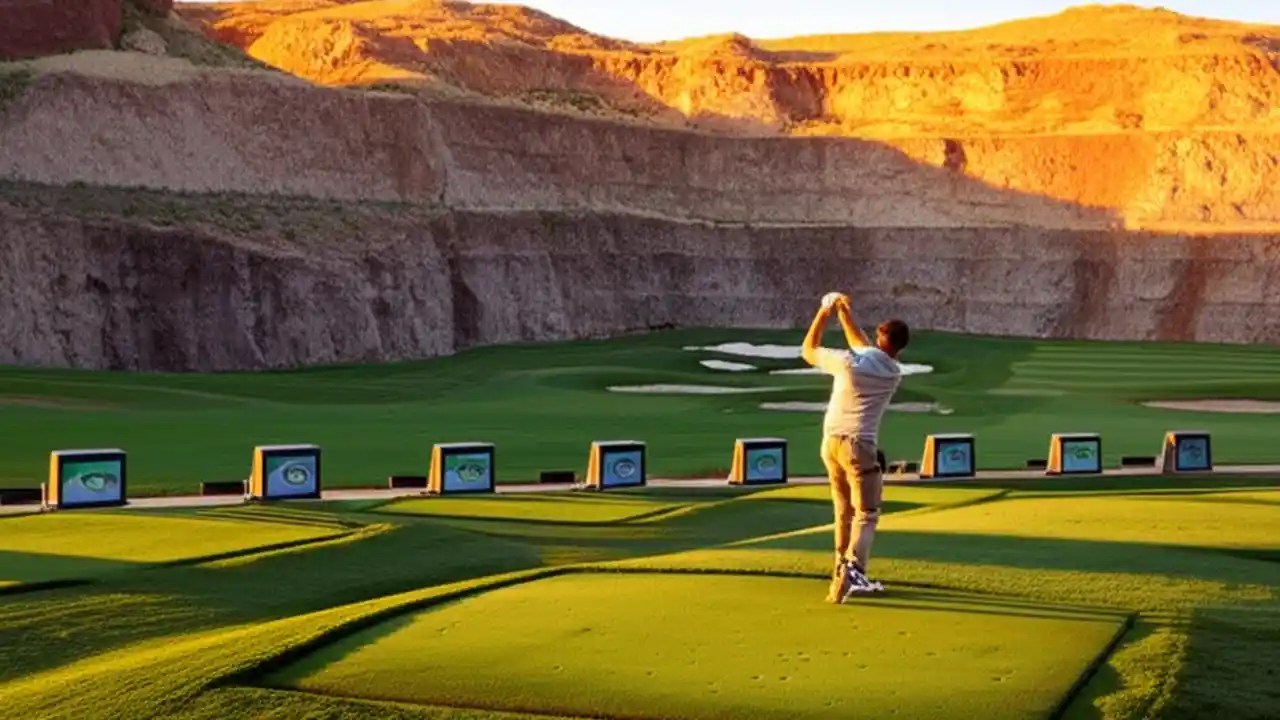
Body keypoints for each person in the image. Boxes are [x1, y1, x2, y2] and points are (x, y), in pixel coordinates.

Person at [799, 292, 910, 602]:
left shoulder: (849, 363)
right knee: (867, 513)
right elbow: (861, 343)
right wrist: (845, 314)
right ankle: (854, 569)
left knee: (844, 511)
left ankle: (840, 576)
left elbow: (808, 350)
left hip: (831, 443)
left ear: (879, 337)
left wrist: (825, 311)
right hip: (859, 447)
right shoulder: (892, 373)